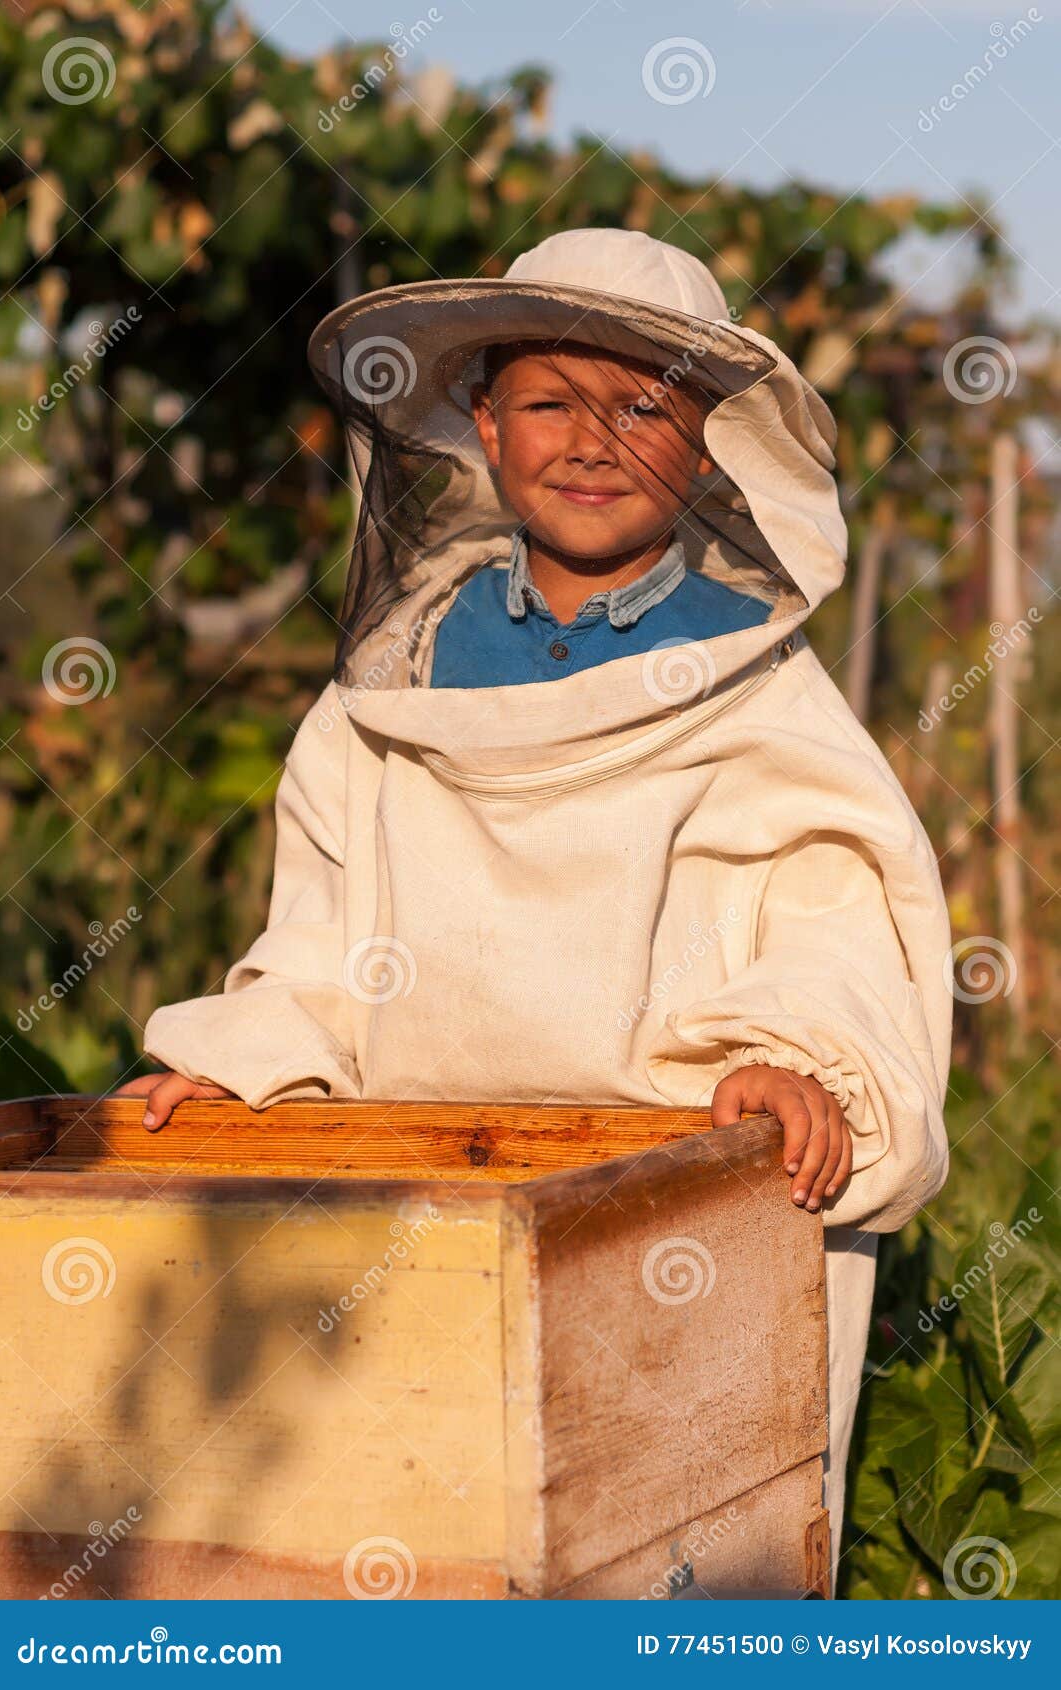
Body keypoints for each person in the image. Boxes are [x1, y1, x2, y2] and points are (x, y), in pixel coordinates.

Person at [115, 228, 952, 1569]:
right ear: (483, 425)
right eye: (550, 400)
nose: (591, 439)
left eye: (641, 405)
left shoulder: (760, 693)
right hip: (418, 1223)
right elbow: (324, 939)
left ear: (705, 448)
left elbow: (829, 912)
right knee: (417, 1548)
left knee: (651, 1553)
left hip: (674, 1218)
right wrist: (247, 1068)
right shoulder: (391, 690)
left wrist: (798, 1061)